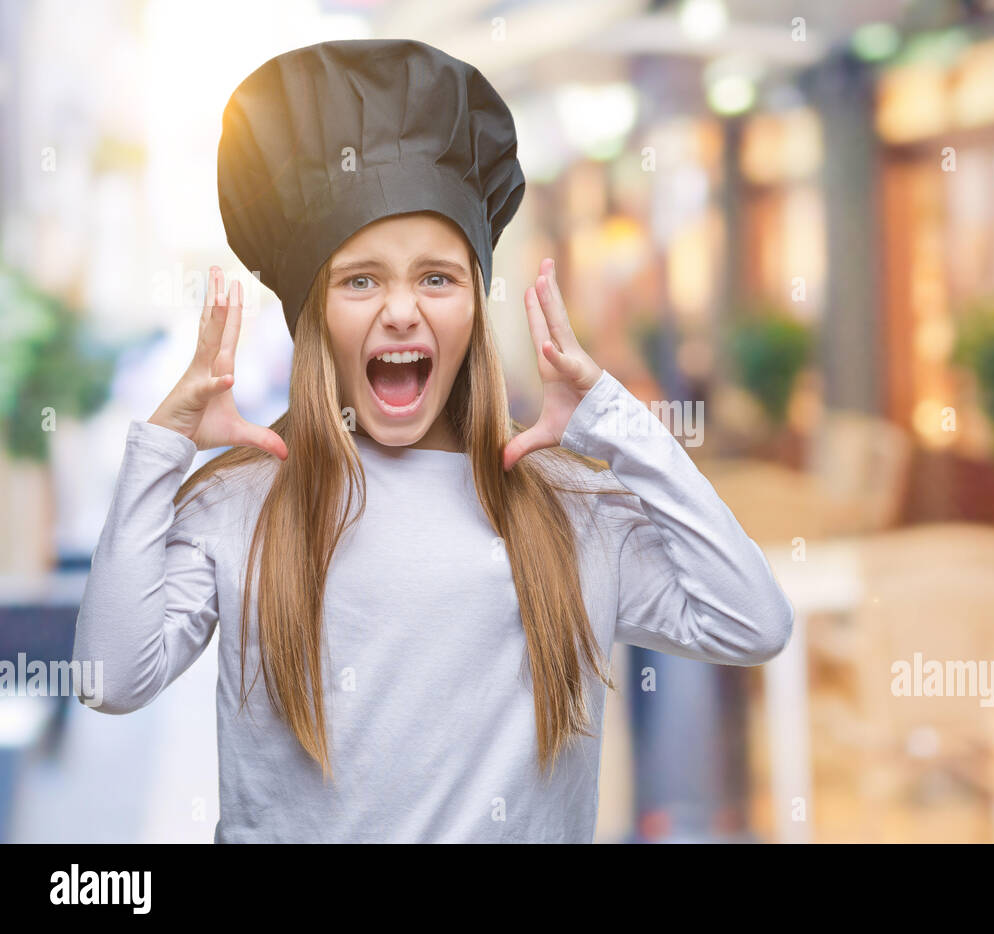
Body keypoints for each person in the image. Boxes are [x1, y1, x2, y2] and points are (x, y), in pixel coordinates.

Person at [71, 39, 793, 843]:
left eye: (437, 277)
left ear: (475, 311)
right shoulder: (243, 502)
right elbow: (109, 679)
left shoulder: (565, 505)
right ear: (316, 320)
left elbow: (751, 621)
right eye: (361, 279)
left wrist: (616, 424)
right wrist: (164, 449)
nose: (403, 310)